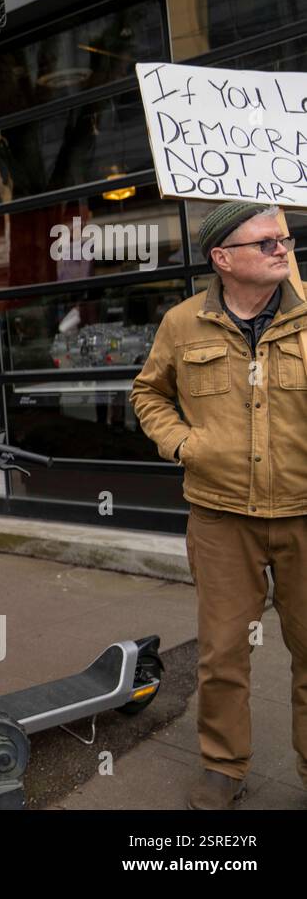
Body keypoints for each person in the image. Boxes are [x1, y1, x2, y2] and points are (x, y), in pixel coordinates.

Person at [131, 201, 307, 809]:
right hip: (220, 515)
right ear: (222, 258)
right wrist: (183, 444)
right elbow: (148, 392)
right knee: (223, 652)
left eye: (283, 239)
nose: (281, 248)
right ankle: (223, 767)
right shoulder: (183, 324)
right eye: (265, 243)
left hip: (304, 510)